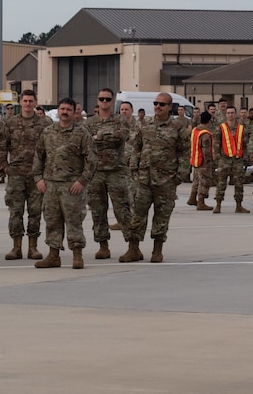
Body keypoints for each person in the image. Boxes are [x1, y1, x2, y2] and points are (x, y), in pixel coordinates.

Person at [33, 98, 98, 269]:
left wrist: (82, 181)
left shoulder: (82, 133)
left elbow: (91, 160)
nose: (65, 112)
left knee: (74, 221)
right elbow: (39, 156)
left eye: (69, 109)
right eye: (62, 109)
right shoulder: (47, 132)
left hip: (72, 186)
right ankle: (53, 255)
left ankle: (77, 255)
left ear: (74, 112)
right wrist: (38, 179)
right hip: (50, 185)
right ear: (58, 110)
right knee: (52, 221)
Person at [125, 94, 190, 263]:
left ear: (170, 107)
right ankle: (133, 249)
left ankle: (157, 250)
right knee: (137, 215)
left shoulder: (177, 127)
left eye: (162, 104)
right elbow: (136, 148)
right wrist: (134, 168)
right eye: (156, 103)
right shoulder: (145, 124)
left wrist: (180, 175)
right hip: (144, 180)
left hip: (166, 181)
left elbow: (184, 152)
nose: (157, 106)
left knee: (162, 216)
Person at [0, 90, 47, 260]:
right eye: (24, 101)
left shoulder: (44, 123)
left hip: (36, 174)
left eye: (30, 101)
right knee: (15, 211)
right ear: (20, 102)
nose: (27, 104)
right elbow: (2, 146)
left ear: (36, 102)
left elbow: (49, 148)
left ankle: (33, 247)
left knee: (35, 211)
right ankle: (16, 247)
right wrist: (4, 166)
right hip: (16, 174)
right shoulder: (10, 123)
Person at [85, 88, 133, 259]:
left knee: (123, 210)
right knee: (97, 211)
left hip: (116, 172)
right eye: (101, 99)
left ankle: (133, 246)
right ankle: (103, 245)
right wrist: (104, 136)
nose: (104, 102)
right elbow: (84, 143)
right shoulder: (88, 123)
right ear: (97, 101)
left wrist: (98, 136)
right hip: (95, 172)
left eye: (107, 99)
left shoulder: (121, 120)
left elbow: (119, 137)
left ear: (113, 102)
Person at [213, 104, 251, 213]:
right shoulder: (220, 128)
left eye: (232, 113)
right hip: (224, 159)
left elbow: (245, 144)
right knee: (221, 182)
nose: (230, 115)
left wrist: (246, 157)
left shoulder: (241, 128)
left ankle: (239, 205)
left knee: (239, 183)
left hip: (238, 159)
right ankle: (218, 204)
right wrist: (217, 157)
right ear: (226, 115)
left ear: (236, 114)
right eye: (228, 113)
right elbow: (216, 143)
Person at [188, 112, 216, 211]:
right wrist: (209, 161)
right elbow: (206, 150)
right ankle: (201, 202)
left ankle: (192, 198)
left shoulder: (195, 130)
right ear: (209, 121)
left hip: (195, 159)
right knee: (204, 181)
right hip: (203, 161)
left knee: (196, 180)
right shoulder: (205, 134)